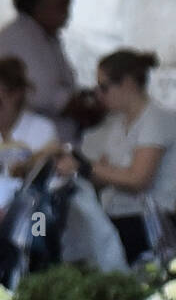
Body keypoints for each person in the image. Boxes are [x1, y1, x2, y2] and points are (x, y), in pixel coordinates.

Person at [58, 49, 176, 263]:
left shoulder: (157, 118)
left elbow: (138, 179)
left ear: (128, 83)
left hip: (150, 224)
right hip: (117, 219)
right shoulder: (117, 124)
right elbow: (104, 174)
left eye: (103, 87)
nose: (98, 95)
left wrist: (85, 167)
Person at [0, 0, 100, 142]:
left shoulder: (47, 38)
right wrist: (88, 109)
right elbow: (47, 95)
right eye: (62, 3)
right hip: (29, 142)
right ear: (39, 3)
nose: (67, 10)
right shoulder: (21, 37)